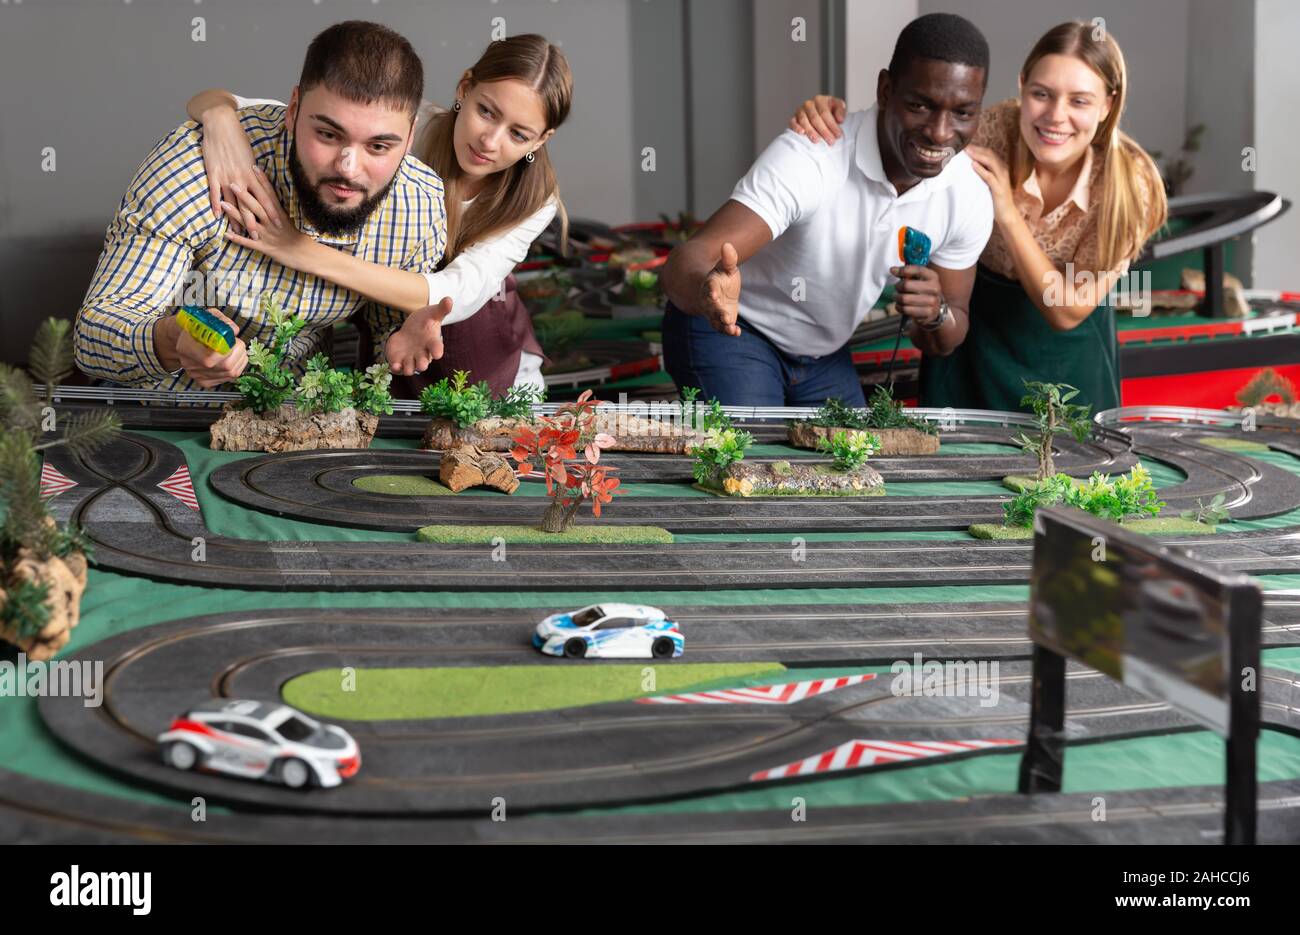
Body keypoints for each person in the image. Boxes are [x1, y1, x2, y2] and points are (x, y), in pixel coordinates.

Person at [791, 20, 1167, 414]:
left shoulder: (1130, 183)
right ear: (1022, 85)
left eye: (1080, 101)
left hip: (1070, 355)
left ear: (1108, 104)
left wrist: (1005, 210)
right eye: (1042, 94)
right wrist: (831, 118)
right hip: (971, 337)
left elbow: (1066, 309)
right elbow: (900, 133)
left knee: (1070, 471)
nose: (1056, 116)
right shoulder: (983, 131)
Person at [189, 33, 572, 397]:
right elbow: (253, 105)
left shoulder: (537, 202)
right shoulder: (405, 130)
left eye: (518, 135)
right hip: (391, 340)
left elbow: (453, 293)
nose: (490, 141)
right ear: (464, 88)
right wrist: (221, 117)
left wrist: (300, 250)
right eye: (486, 111)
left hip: (480, 354)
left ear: (542, 140)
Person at [75, 20, 445, 392]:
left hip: (298, 420)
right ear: (294, 109)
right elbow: (94, 337)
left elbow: (386, 331)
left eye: (378, 146)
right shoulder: (194, 165)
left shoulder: (419, 204)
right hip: (166, 409)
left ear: (410, 138)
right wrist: (172, 342)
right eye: (328, 135)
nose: (348, 167)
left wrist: (395, 343)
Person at [660, 13, 994, 407]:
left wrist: (935, 313)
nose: (940, 132)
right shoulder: (813, 155)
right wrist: (709, 291)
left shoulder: (967, 194)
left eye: (963, 113)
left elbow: (947, 331)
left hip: (823, 354)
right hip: (734, 330)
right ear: (886, 89)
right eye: (920, 105)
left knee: (858, 467)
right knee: (752, 463)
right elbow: (688, 260)